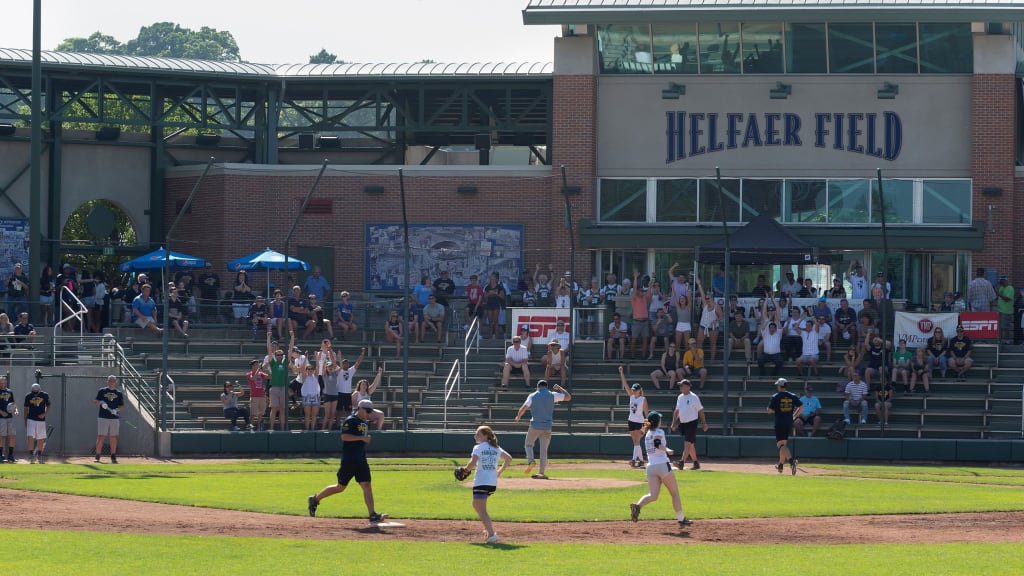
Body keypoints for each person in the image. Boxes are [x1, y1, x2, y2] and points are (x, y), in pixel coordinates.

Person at [307, 399, 386, 524]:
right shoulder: (350, 420)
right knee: (340, 487)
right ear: (360, 408)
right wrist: (362, 438)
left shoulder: (364, 422)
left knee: (367, 485)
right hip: (349, 460)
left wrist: (363, 439)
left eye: (369, 411)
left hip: (361, 459)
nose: (368, 413)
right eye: (367, 411)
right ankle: (315, 499)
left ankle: (372, 514)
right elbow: (344, 436)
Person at [628, 410, 693, 528]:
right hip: (662, 465)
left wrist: (666, 448)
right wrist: (667, 450)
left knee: (653, 496)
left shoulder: (647, 434)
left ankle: (637, 506)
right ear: (657, 422)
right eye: (660, 419)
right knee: (674, 493)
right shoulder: (659, 431)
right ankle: (681, 518)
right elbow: (658, 443)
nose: (661, 421)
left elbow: (656, 444)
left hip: (651, 467)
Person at [461, 425, 512, 544]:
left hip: (481, 482)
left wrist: (465, 470)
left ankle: (491, 534)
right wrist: (499, 471)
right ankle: (488, 529)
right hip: (492, 483)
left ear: (485, 435)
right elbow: (508, 458)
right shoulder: (496, 448)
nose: (475, 436)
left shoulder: (478, 447)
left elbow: (472, 462)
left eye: (478, 434)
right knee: (476, 504)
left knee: (481, 509)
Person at [515, 379, 571, 480]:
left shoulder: (533, 395)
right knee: (543, 450)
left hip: (535, 425)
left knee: (528, 444)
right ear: (546, 386)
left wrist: (518, 416)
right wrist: (559, 388)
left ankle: (531, 461)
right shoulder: (552, 395)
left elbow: (524, 407)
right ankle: (541, 472)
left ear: (538, 386)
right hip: (547, 427)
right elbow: (568, 397)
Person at [669, 378, 707, 470]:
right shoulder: (680, 397)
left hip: (692, 423)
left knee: (687, 443)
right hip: (683, 423)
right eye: (680, 385)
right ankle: (695, 463)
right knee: (691, 444)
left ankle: (681, 462)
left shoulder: (694, 397)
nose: (680, 387)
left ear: (688, 386)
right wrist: (673, 423)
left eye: (682, 385)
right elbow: (677, 410)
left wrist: (704, 423)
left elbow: (700, 410)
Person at [767, 378, 802, 475]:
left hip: (779, 423)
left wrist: (776, 411)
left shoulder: (775, 396)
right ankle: (780, 465)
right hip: (789, 423)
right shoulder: (792, 396)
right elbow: (801, 407)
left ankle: (791, 461)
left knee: (781, 445)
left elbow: (769, 411)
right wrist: (794, 416)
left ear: (779, 386)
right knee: (784, 445)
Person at [618, 366, 649, 467]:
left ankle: (633, 459)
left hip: (639, 422)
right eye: (633, 390)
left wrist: (646, 426)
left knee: (636, 441)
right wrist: (621, 372)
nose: (634, 391)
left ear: (640, 390)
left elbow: (646, 414)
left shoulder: (643, 399)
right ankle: (641, 460)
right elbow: (625, 384)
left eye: (635, 390)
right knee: (636, 442)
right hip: (631, 421)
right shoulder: (631, 396)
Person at [265, 328, 293, 431]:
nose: (280, 356)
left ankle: (282, 429)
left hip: (284, 388)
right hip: (275, 388)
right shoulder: (272, 362)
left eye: (281, 354)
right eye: (278, 355)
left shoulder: (285, 362)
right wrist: (268, 338)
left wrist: (292, 337)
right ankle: (271, 428)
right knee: (273, 409)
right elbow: (269, 349)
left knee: (282, 410)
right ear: (275, 355)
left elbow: (290, 349)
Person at [93, 375, 124, 462]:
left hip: (114, 418)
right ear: (107, 382)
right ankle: (98, 455)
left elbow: (122, 407)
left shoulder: (118, 393)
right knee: (101, 436)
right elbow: (95, 401)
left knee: (113, 437)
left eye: (113, 381)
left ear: (115, 382)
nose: (111, 382)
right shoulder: (102, 391)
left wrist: (116, 410)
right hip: (103, 417)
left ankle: (113, 456)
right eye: (110, 381)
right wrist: (101, 403)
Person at [334, 348, 367, 429]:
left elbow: (358, 362)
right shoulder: (339, 370)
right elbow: (334, 363)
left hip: (348, 394)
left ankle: (348, 426)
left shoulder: (351, 371)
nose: (346, 364)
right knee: (338, 412)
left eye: (347, 363)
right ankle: (337, 426)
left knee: (349, 412)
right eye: (344, 363)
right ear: (342, 364)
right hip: (340, 394)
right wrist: (339, 357)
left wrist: (362, 353)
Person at [24, 381, 50, 464]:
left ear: (39, 390)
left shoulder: (45, 395)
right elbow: (25, 408)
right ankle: (31, 455)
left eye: (36, 391)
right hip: (31, 419)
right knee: (30, 436)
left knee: (40, 438)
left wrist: (44, 414)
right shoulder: (28, 396)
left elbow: (49, 405)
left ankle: (39, 455)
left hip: (41, 420)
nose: (35, 393)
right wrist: (25, 420)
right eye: (34, 391)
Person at [246, 359, 269, 431]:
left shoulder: (261, 374)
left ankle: (258, 426)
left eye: (258, 364)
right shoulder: (249, 374)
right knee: (253, 413)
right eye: (256, 364)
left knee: (261, 413)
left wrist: (269, 369)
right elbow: (253, 379)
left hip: (262, 395)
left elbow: (269, 377)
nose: (258, 365)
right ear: (252, 366)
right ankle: (250, 426)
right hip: (254, 396)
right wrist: (259, 369)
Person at [0, 375, 17, 462]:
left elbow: (13, 404)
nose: (3, 383)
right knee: (1, 436)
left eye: (4, 382)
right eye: (1, 382)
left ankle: (10, 455)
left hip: (10, 417)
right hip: (1, 417)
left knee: (12, 435)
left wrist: (16, 411)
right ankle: (0, 455)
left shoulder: (9, 391)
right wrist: (1, 411)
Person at [299, 363, 320, 431]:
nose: (310, 370)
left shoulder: (316, 376)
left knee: (314, 415)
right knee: (307, 415)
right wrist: (305, 358)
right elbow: (302, 369)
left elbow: (318, 366)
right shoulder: (304, 377)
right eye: (308, 369)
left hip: (316, 397)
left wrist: (317, 357)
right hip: (306, 397)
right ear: (306, 370)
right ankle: (307, 429)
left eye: (311, 369)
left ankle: (313, 429)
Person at [996, 277, 1015, 344]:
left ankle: (1007, 340)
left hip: (1006, 311)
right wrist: (997, 288)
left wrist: (999, 294)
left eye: (1002, 282)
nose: (1001, 283)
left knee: (1005, 327)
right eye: (1001, 282)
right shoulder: (1001, 288)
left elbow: (1007, 299)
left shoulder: (1010, 288)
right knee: (999, 326)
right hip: (1000, 310)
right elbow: (998, 295)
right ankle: (1000, 340)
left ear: (1006, 281)